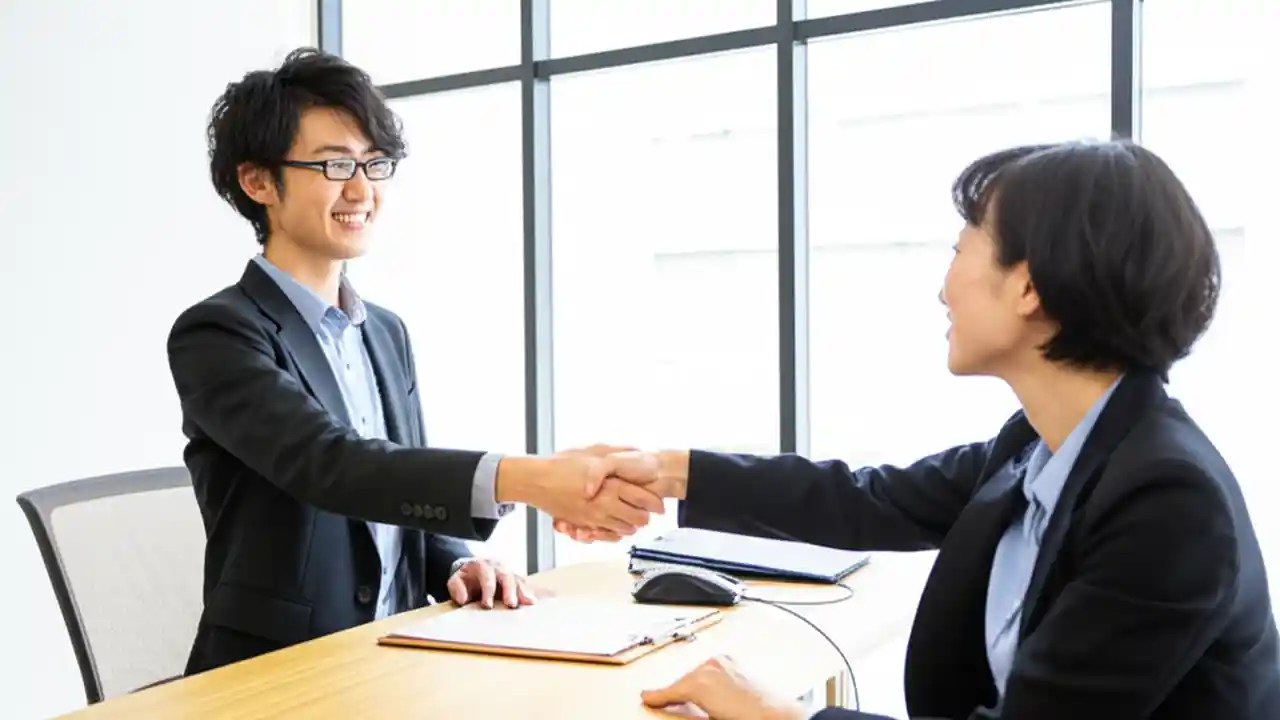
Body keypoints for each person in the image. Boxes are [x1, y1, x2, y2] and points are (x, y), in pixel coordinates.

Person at [558, 140, 1280, 719]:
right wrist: (671, 469)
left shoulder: (1167, 502)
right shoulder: (1040, 446)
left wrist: (780, 718)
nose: (943, 287)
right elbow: (871, 499)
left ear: (1029, 287)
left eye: (962, 248)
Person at [167, 48, 662, 675]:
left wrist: (457, 563)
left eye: (375, 164)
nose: (361, 189)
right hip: (278, 673)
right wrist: (532, 478)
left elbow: (400, 491)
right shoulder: (218, 333)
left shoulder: (384, 332)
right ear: (258, 182)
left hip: (393, 660)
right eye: (335, 164)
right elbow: (331, 466)